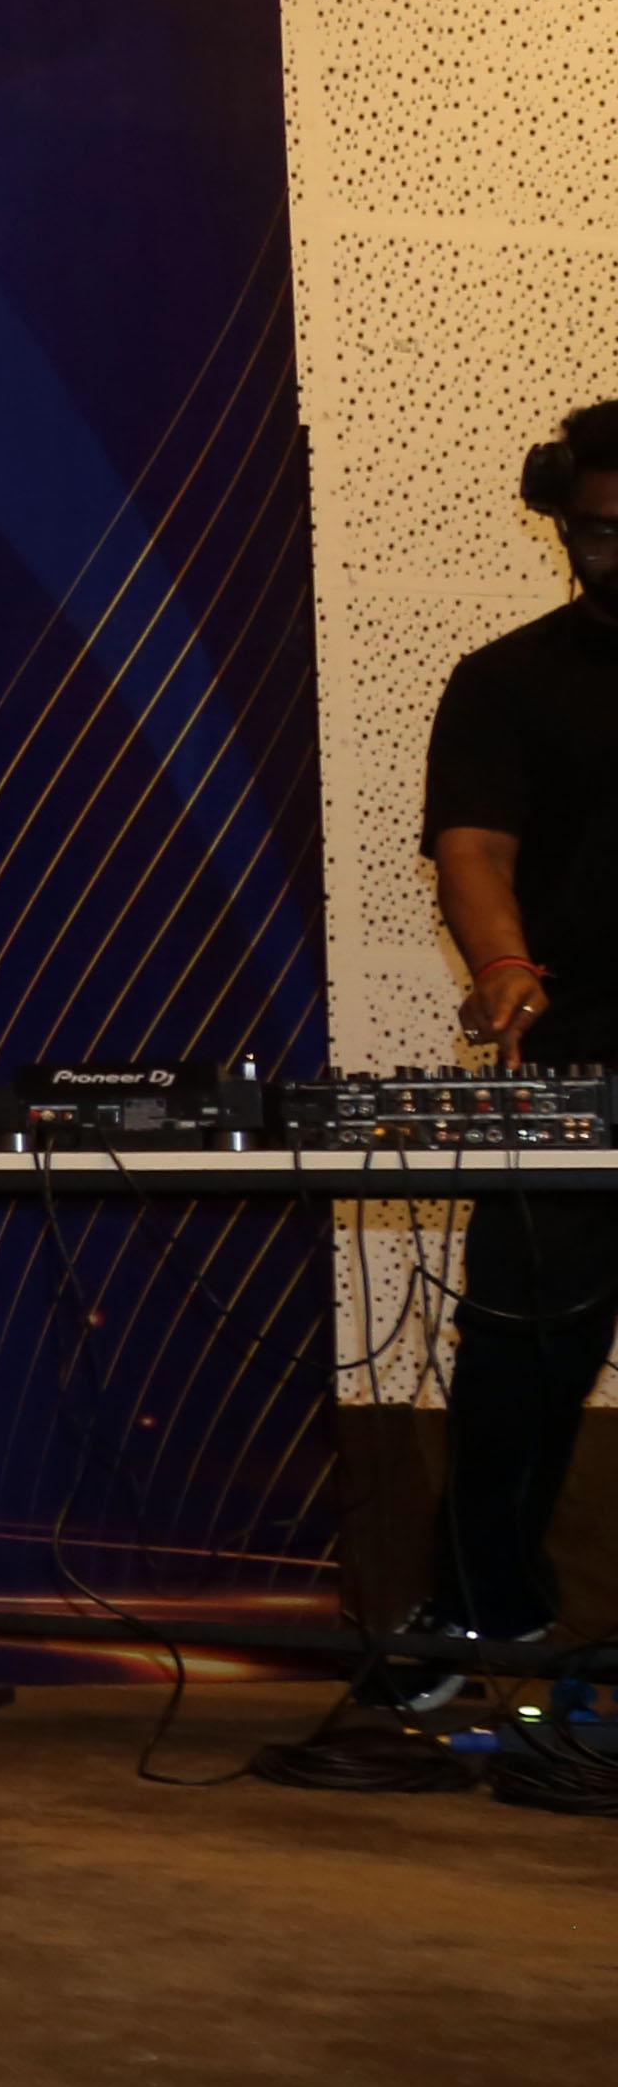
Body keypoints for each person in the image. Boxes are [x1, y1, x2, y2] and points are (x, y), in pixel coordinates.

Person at [409, 397, 618, 1652]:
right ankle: (477, 1625)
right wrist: (501, 966)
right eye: (599, 536)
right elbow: (474, 846)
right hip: (586, 1054)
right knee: (519, 1362)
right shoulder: (507, 682)